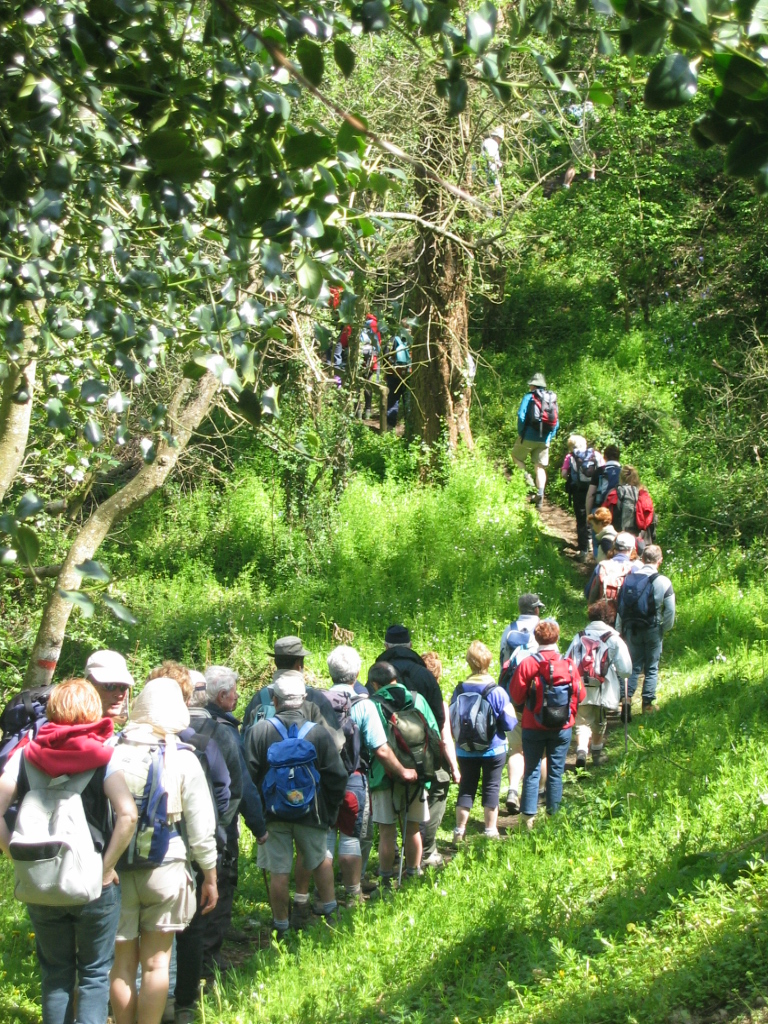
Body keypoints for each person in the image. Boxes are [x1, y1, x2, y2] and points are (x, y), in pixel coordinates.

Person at [0, 679, 137, 1024]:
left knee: (56, 974)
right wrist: (106, 869)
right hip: (93, 885)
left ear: (53, 710)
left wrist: (14, 857)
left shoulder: (25, 754)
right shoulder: (106, 754)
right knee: (92, 974)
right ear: (92, 710)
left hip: (41, 882)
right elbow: (128, 815)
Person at [109, 678, 218, 1024]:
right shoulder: (184, 759)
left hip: (114, 870)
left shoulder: (112, 751)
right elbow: (201, 830)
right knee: (157, 963)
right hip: (167, 868)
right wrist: (210, 876)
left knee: (121, 963)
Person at [312, 645, 418, 913]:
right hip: (352, 778)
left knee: (324, 839)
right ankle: (353, 894)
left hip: (320, 781)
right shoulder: (363, 704)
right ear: (357, 673)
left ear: (330, 671)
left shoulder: (315, 702)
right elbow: (381, 749)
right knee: (350, 838)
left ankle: (323, 897)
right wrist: (402, 771)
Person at [244, 674, 347, 935]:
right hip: (311, 812)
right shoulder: (319, 733)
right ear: (303, 700)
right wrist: (329, 811)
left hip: (273, 814)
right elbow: (337, 776)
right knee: (320, 859)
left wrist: (257, 816)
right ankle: (331, 912)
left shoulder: (259, 732)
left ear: (275, 700)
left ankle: (281, 926)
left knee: (278, 870)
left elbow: (249, 778)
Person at [376, 625, 458, 867]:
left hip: (386, 755)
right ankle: (416, 864)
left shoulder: (378, 672)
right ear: (411, 646)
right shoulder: (424, 675)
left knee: (387, 823)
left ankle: (387, 869)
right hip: (419, 755)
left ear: (386, 646)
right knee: (415, 816)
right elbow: (438, 721)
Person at [202, 665, 265, 971]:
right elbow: (242, 785)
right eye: (235, 692)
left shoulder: (194, 722)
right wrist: (259, 826)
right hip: (221, 823)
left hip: (194, 820)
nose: (239, 696)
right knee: (223, 881)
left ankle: (217, 935)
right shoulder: (224, 731)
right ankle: (211, 953)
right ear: (224, 696)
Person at [366, 662, 440, 885]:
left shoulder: (372, 704)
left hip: (382, 773)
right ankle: (413, 874)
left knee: (387, 831)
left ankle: (386, 881)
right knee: (413, 828)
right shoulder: (418, 699)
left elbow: (369, 742)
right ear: (396, 679)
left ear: (374, 684)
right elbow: (434, 734)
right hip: (416, 772)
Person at [510, 620, 585, 828]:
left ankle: (527, 819)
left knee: (532, 769)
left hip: (532, 726)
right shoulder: (568, 664)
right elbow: (581, 694)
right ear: (557, 638)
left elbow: (515, 696)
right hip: (562, 727)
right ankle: (554, 818)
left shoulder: (528, 664)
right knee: (555, 771)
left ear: (536, 639)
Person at [450, 642, 517, 841]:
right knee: (491, 787)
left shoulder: (459, 689)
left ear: (469, 663)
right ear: (488, 662)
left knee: (466, 788)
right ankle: (490, 831)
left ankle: (459, 831)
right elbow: (510, 723)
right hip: (493, 749)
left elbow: (453, 717)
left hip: (464, 749)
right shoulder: (496, 691)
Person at [565, 599, 632, 766]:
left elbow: (567, 661)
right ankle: (597, 752)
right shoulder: (613, 638)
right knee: (600, 721)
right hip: (604, 686)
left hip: (581, 685)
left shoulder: (579, 636)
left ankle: (581, 750)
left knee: (582, 721)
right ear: (610, 618)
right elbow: (626, 670)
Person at [616, 544, 676, 719]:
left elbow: (621, 606)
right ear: (660, 561)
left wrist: (619, 629)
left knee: (632, 666)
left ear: (642, 559)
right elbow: (670, 611)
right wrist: (664, 628)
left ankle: (626, 700)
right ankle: (647, 705)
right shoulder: (663, 581)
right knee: (651, 667)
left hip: (631, 629)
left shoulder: (629, 579)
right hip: (652, 629)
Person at [499, 594, 544, 814]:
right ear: (536, 610)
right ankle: (541, 794)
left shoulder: (509, 630)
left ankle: (512, 790)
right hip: (537, 698)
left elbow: (503, 664)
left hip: (513, 696)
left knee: (516, 748)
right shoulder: (544, 629)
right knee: (542, 749)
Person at [417, 651, 460, 867]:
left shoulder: (410, 698)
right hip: (434, 762)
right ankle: (427, 851)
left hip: (411, 760)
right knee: (436, 800)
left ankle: (410, 849)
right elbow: (446, 740)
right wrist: (454, 767)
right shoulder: (439, 703)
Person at [511, 373, 559, 507]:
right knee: (540, 466)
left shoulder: (529, 397)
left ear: (533, 385)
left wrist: (521, 433)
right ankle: (540, 494)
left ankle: (529, 483)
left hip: (528, 436)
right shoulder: (551, 398)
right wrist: (550, 436)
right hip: (545, 438)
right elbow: (556, 422)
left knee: (516, 457)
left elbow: (521, 416)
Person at [561, 434, 602, 562]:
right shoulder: (596, 455)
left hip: (579, 491)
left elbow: (563, 474)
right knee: (593, 515)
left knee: (581, 519)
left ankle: (583, 550)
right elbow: (603, 470)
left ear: (571, 447)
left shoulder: (570, 457)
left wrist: (570, 478)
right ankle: (591, 542)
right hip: (595, 490)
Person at [586, 444, 621, 556]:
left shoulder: (600, 471)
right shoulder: (624, 473)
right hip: (618, 511)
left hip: (600, 510)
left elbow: (591, 494)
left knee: (598, 542)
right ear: (618, 457)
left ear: (605, 457)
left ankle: (599, 567)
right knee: (617, 541)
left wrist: (589, 514)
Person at [84, 649, 135, 724]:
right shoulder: (76, 731)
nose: (119, 695)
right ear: (89, 686)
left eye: (123, 687)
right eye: (110, 686)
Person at [585, 532, 636, 603]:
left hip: (602, 611)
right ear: (631, 549)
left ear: (614, 547)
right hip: (624, 612)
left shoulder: (602, 566)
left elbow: (588, 592)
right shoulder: (634, 570)